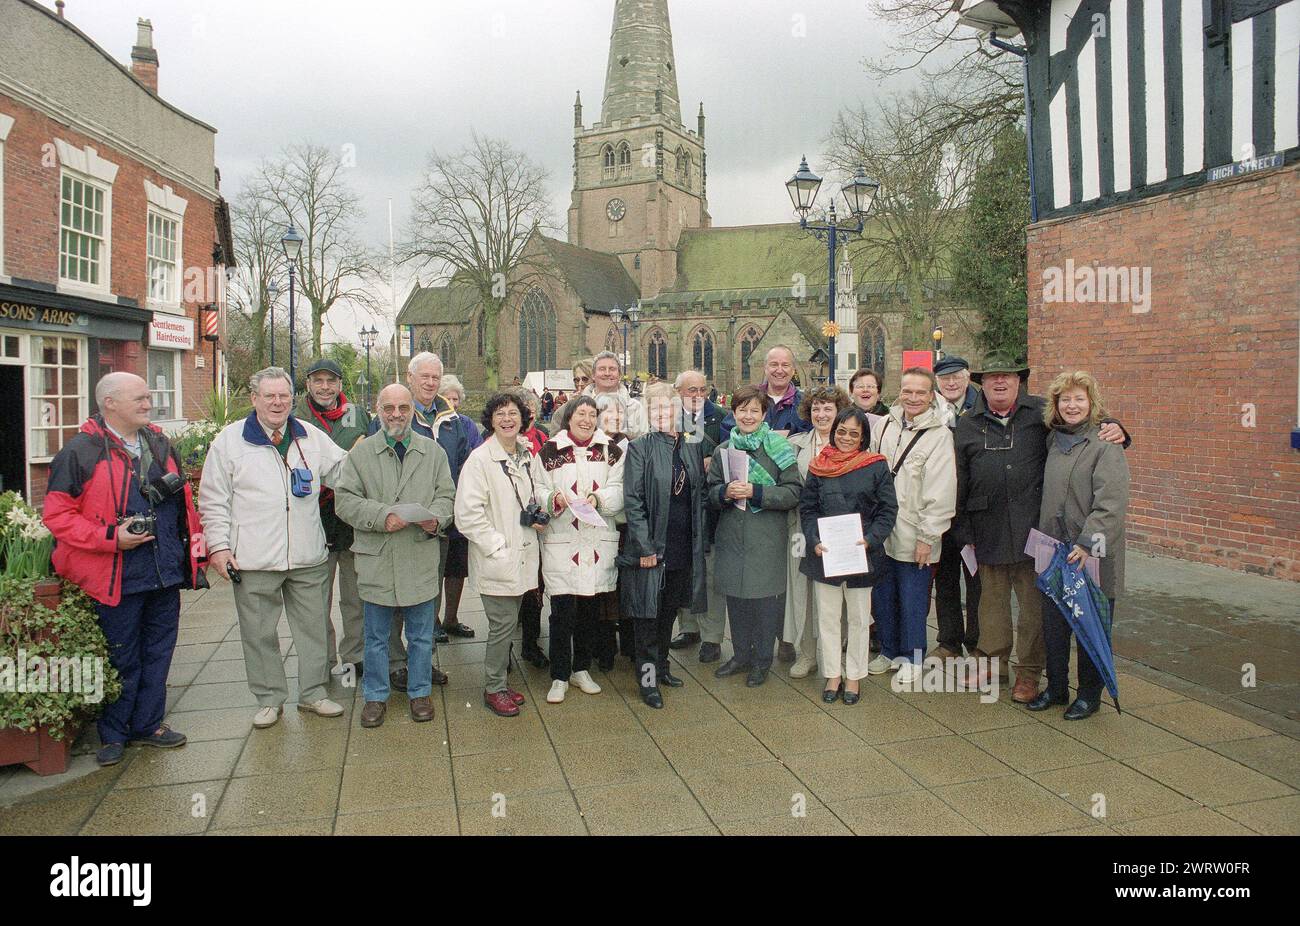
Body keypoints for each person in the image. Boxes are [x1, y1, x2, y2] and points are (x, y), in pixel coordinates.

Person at [43, 372, 205, 766]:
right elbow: (57, 515)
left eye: (148, 396)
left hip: (163, 570)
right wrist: (110, 538)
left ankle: (149, 725)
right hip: (117, 575)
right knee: (121, 656)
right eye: (140, 397)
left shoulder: (161, 443)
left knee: (159, 652)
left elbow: (182, 502)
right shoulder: (80, 452)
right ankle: (113, 734)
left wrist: (194, 554)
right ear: (109, 402)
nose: (148, 403)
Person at [953, 352, 1130, 703]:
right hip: (987, 530)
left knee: (1035, 612)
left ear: (1019, 382)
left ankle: (1030, 674)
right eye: (991, 378)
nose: (999, 382)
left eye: (1007, 376)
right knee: (990, 607)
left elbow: (1081, 423)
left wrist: (1117, 427)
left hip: (1037, 534)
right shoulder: (966, 424)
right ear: (981, 384)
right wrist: (963, 532)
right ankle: (992, 665)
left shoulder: (1039, 416)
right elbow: (958, 479)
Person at [200, 367, 349, 730]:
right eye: (270, 396)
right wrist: (218, 548)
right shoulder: (230, 442)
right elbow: (213, 499)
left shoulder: (309, 436)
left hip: (308, 555)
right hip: (253, 559)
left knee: (314, 628)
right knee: (259, 633)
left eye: (284, 396)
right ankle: (269, 698)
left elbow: (344, 471)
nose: (278, 403)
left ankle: (313, 693)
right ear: (254, 399)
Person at [333, 384, 456, 727]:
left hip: (418, 553)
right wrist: (380, 515)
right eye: (389, 408)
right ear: (377, 410)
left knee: (420, 635)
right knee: (375, 638)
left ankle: (419, 693)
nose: (396, 414)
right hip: (379, 558)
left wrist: (437, 519)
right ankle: (375, 697)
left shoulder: (433, 453)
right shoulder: (360, 454)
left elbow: (447, 496)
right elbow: (345, 501)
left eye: (403, 407)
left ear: (413, 411)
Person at [1028, 372, 1129, 720]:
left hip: (1090, 553)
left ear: (1092, 403)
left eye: (1079, 399)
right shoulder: (1051, 441)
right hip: (1052, 549)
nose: (1072, 406)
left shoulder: (1106, 444)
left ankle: (1089, 695)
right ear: (1055, 405)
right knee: (1053, 625)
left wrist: (1087, 544)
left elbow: (1111, 503)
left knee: (1091, 626)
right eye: (1065, 400)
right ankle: (1056, 688)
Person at [368, 352, 469, 685]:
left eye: (435, 377)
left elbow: (462, 466)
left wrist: (444, 513)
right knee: (395, 598)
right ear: (409, 378)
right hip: (396, 525)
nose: (429, 382)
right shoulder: (392, 413)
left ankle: (422, 663)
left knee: (428, 597)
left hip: (434, 524)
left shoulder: (453, 420)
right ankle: (397, 664)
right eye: (423, 376)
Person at [454, 391, 548, 716]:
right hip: (499, 558)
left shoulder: (526, 454)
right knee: (501, 626)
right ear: (490, 421)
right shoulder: (480, 460)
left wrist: (539, 512)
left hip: (522, 555)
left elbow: (533, 495)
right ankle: (494, 688)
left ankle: (501, 685)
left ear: (523, 419)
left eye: (513, 414)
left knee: (508, 625)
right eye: (500, 415)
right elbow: (467, 515)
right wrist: (496, 546)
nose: (507, 419)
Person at [800, 406, 898, 704]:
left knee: (858, 618)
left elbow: (888, 509)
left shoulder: (876, 465)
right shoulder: (819, 465)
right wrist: (814, 540)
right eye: (841, 431)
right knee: (827, 618)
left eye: (854, 433)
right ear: (834, 431)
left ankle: (853, 676)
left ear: (863, 437)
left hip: (861, 555)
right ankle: (832, 673)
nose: (846, 437)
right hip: (825, 554)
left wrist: (870, 540)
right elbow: (808, 509)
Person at [621, 384, 711, 707]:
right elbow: (633, 501)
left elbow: (698, 496)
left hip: (681, 546)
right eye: (656, 409)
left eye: (668, 409)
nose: (663, 414)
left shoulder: (690, 447)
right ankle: (646, 681)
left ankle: (661, 668)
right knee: (647, 616)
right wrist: (645, 548)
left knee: (668, 612)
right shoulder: (639, 448)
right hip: (652, 548)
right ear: (648, 413)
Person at [707, 386, 803, 686]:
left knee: (763, 603)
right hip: (732, 537)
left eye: (754, 411)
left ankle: (762, 659)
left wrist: (756, 492)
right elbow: (709, 493)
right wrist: (724, 492)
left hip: (767, 538)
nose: (747, 416)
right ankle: (740, 655)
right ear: (733, 413)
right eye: (742, 410)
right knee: (736, 600)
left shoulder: (779, 449)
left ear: (764, 415)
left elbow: (794, 492)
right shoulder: (723, 450)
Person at [868, 368, 957, 685]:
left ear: (931, 396)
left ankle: (914, 656)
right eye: (908, 391)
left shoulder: (939, 435)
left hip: (916, 532)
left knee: (913, 599)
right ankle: (889, 651)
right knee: (883, 595)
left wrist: (928, 537)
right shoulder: (884, 426)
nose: (913, 398)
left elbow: (941, 492)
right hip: (883, 531)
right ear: (899, 391)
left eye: (921, 392)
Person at [537, 396, 625, 703]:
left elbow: (618, 488)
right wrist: (554, 500)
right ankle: (559, 675)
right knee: (562, 611)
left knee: (590, 608)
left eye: (591, 415)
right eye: (580, 414)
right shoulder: (550, 450)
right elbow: (539, 487)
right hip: (564, 540)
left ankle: (581, 669)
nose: (586, 420)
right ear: (569, 418)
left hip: (595, 540)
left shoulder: (611, 451)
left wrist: (599, 500)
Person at [295, 357, 371, 680]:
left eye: (331, 381)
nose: (324, 387)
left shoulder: (358, 415)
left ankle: (355, 657)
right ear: (308, 384)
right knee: (316, 601)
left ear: (340, 384)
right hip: (314, 517)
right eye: (318, 381)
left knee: (355, 597)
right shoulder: (295, 417)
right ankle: (322, 662)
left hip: (351, 521)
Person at [783, 385, 852, 678]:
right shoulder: (795, 444)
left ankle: (838, 652)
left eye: (828, 409)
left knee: (841, 592)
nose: (821, 414)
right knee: (803, 589)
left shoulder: (851, 446)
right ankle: (807, 653)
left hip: (840, 531)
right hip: (801, 528)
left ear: (839, 413)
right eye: (816, 409)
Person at [668, 369, 727, 659]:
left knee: (710, 571)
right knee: (683, 567)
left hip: (709, 504)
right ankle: (688, 627)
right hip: (679, 504)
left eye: (702, 389)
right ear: (678, 391)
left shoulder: (720, 415)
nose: (697, 395)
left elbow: (730, 451)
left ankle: (712, 636)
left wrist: (711, 457)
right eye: (691, 390)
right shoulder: (667, 416)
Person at [931, 355, 981, 659]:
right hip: (941, 508)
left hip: (974, 509)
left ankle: (976, 642)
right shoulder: (929, 407)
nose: (951, 383)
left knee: (977, 581)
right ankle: (949, 641)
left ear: (968, 376)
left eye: (957, 376)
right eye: (944, 378)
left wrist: (1109, 423)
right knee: (945, 577)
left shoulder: (984, 404)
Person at [437, 374, 483, 635]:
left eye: (455, 398)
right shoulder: (432, 424)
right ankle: (433, 622)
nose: (452, 403)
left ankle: (451, 618)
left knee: (456, 568)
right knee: (435, 569)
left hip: (461, 504)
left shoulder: (466, 425)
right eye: (447, 398)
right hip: (437, 505)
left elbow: (474, 458)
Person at [594, 393, 635, 670]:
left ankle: (631, 646)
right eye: (608, 414)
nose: (614, 419)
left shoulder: (634, 446)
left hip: (628, 526)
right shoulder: (591, 447)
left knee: (627, 588)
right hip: (599, 525)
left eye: (619, 414)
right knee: (603, 590)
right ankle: (604, 647)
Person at [720, 345, 812, 442]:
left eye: (785, 365)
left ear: (793, 370)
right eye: (774, 364)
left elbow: (813, 439)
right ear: (765, 368)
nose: (779, 370)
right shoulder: (749, 398)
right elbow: (728, 432)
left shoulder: (805, 403)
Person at [584, 351, 647, 437]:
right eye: (602, 369)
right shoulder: (576, 407)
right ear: (593, 375)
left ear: (620, 375)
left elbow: (643, 444)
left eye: (612, 369)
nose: (607, 373)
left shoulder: (635, 408)